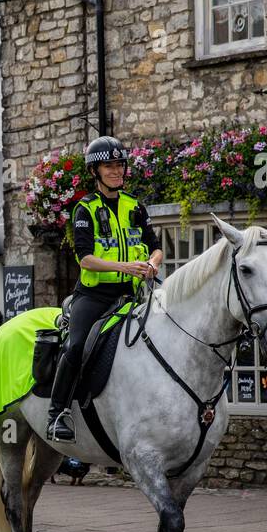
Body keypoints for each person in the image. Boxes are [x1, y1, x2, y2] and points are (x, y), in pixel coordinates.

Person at [47, 135, 164, 443]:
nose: (115, 171)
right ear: (95, 172)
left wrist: (152, 265)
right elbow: (85, 259)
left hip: (134, 295)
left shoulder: (135, 206)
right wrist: (125, 267)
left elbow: (156, 248)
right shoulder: (85, 209)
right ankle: (57, 412)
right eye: (108, 166)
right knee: (75, 347)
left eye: (119, 165)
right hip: (95, 297)